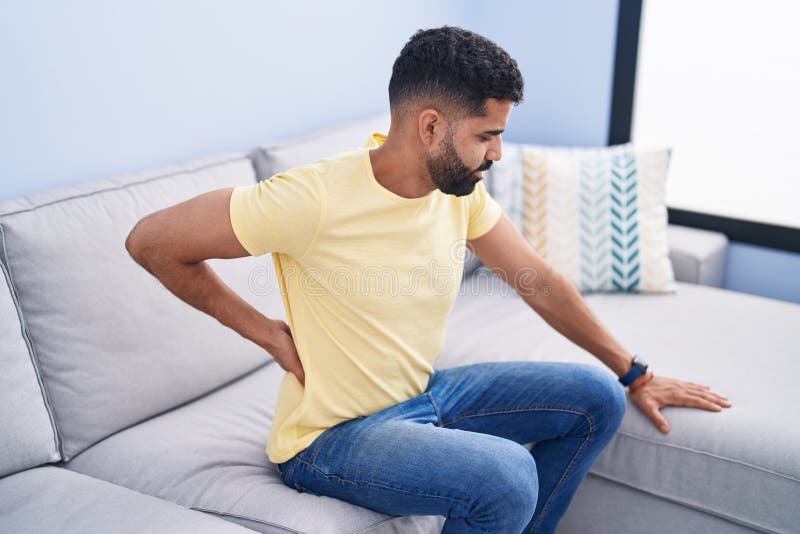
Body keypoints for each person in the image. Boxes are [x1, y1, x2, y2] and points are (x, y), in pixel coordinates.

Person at [125, 25, 732, 534]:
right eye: (486, 136)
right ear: (431, 126)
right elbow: (151, 242)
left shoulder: (457, 192)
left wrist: (637, 373)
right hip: (330, 438)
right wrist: (267, 334)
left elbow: (536, 279)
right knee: (504, 474)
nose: (496, 153)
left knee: (596, 397)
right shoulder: (312, 198)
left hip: (423, 396)